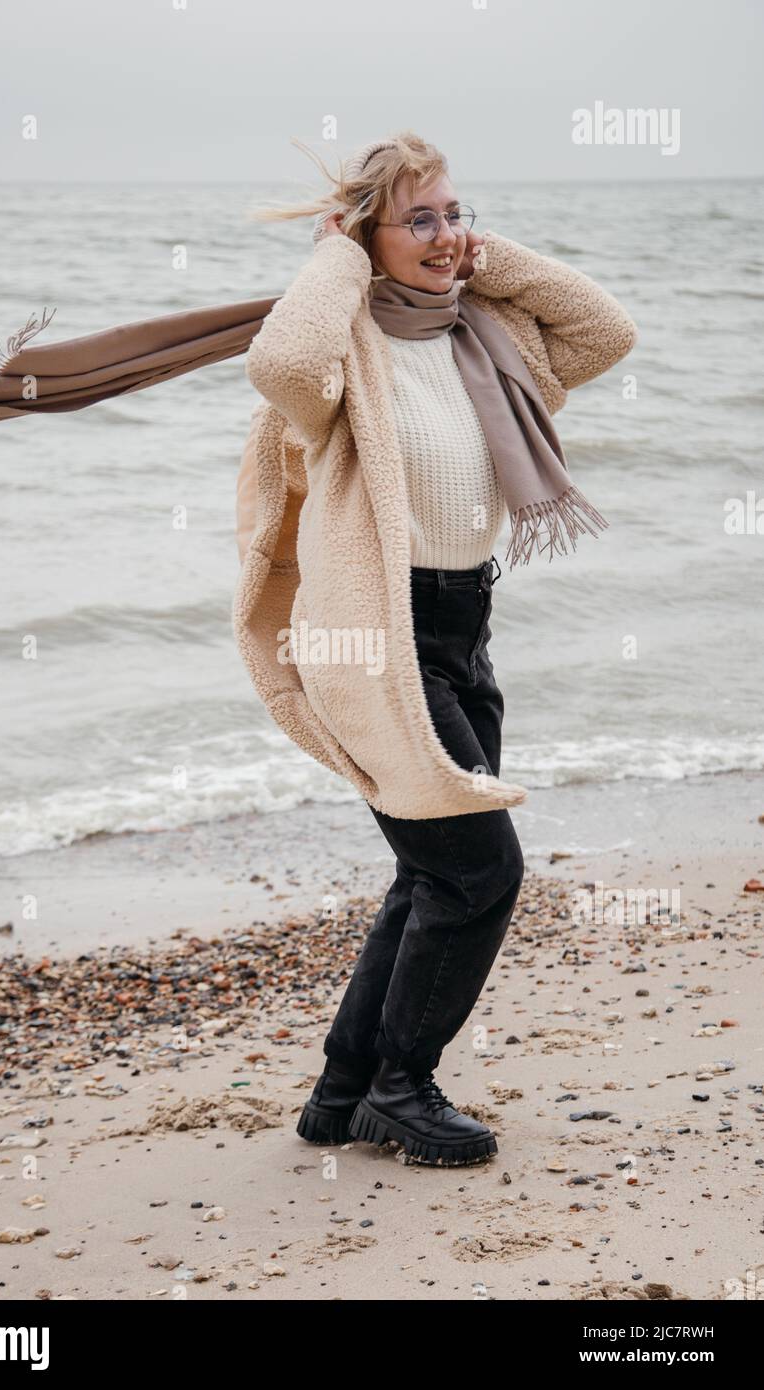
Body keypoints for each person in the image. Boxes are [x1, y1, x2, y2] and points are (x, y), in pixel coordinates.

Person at [242, 131, 637, 1165]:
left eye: (455, 212)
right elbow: (279, 361)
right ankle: (401, 1087)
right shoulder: (341, 363)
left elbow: (605, 330)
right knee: (477, 874)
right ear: (363, 237)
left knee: (429, 872)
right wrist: (339, 258)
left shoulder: (483, 337)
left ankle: (343, 1092)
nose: (446, 233)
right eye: (417, 219)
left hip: (464, 631)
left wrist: (474, 253)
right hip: (376, 638)